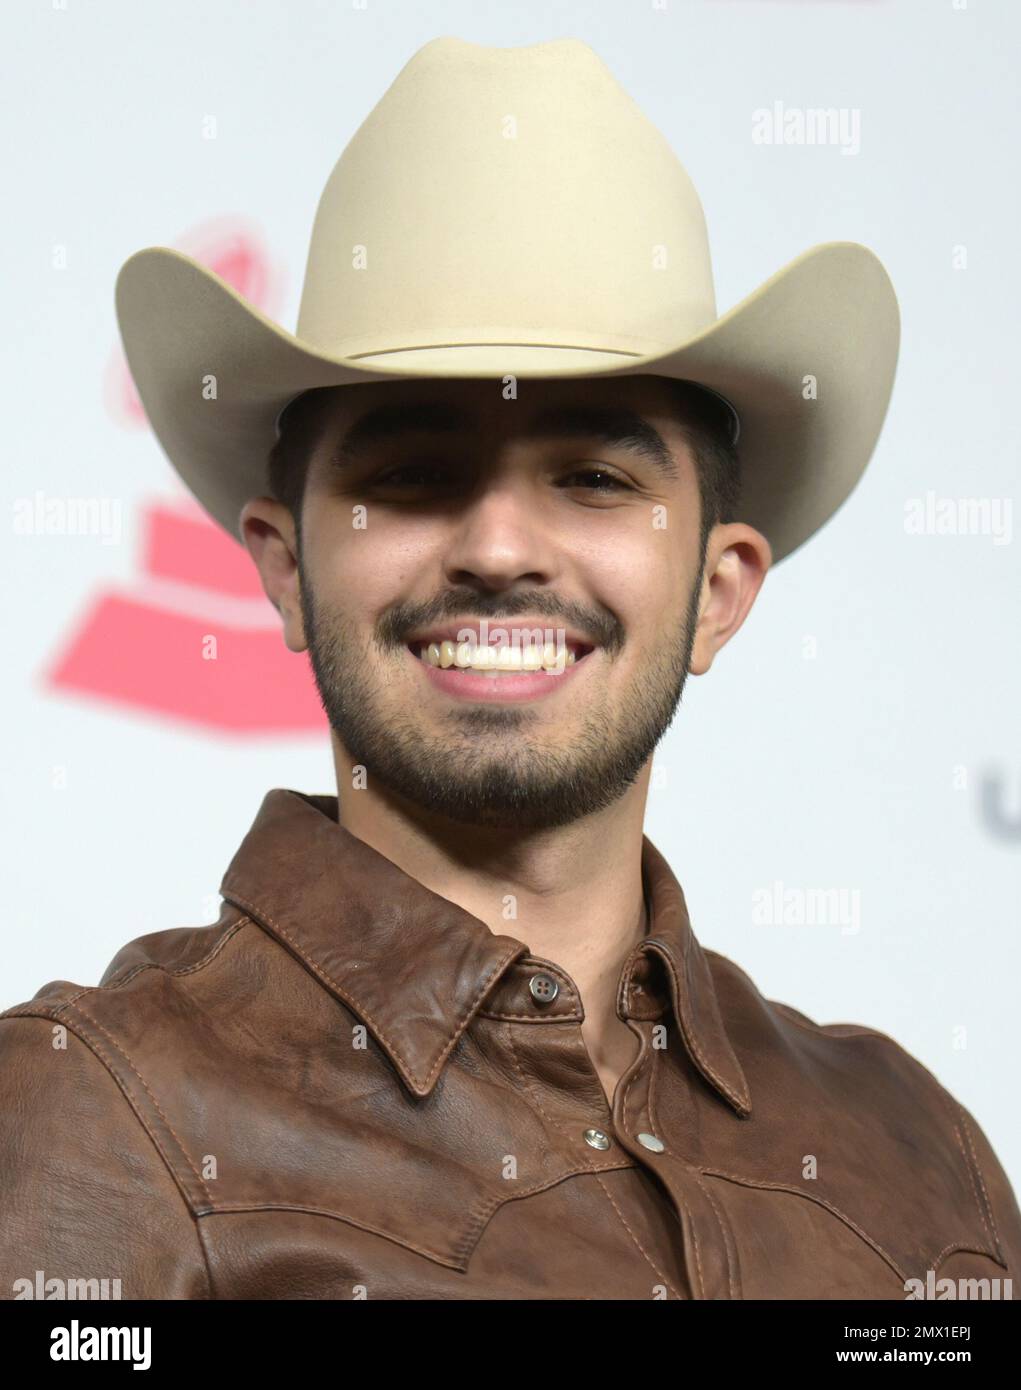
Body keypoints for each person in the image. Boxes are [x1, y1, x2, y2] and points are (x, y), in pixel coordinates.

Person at [2, 36, 1017, 1301]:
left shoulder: (921, 1161)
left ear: (717, 591)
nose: (495, 547)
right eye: (410, 475)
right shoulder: (85, 1114)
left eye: (592, 476)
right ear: (283, 571)